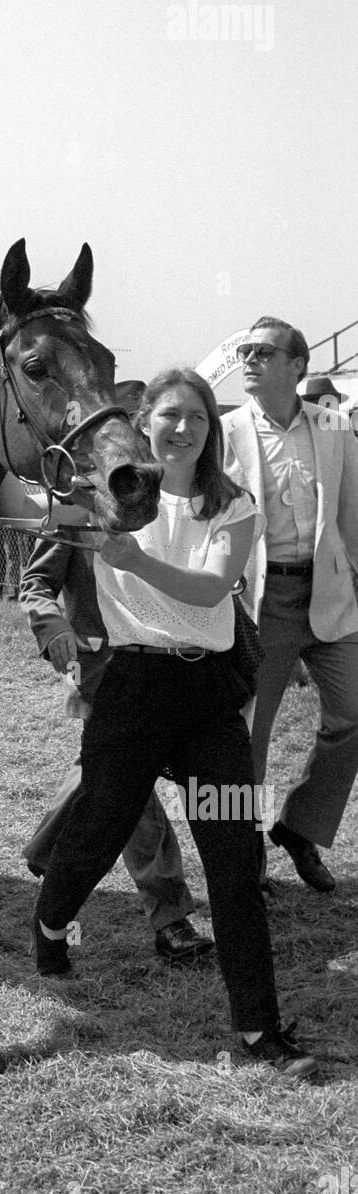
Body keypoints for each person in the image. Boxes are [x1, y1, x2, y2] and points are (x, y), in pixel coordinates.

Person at [31, 368, 318, 1079]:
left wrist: (134, 560)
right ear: (143, 423)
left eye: (195, 416)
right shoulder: (96, 499)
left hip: (207, 694)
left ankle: (259, 1032)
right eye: (168, 416)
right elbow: (38, 544)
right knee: (98, 830)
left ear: (210, 430)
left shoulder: (235, 504)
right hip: (130, 691)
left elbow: (213, 587)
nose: (182, 427)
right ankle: (50, 916)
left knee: (233, 861)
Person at [20, 534, 216, 963]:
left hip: (173, 665)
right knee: (133, 789)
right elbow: (36, 581)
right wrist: (52, 626)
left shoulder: (169, 496)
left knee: (103, 772)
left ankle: (49, 850)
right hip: (104, 666)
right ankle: (169, 918)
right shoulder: (74, 503)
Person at [222, 318, 358, 893]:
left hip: (330, 594)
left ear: (297, 366)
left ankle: (300, 827)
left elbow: (352, 514)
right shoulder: (224, 431)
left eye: (262, 351)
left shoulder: (334, 427)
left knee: (354, 714)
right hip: (260, 601)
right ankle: (243, 856)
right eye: (243, 350)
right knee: (249, 735)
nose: (248, 358)